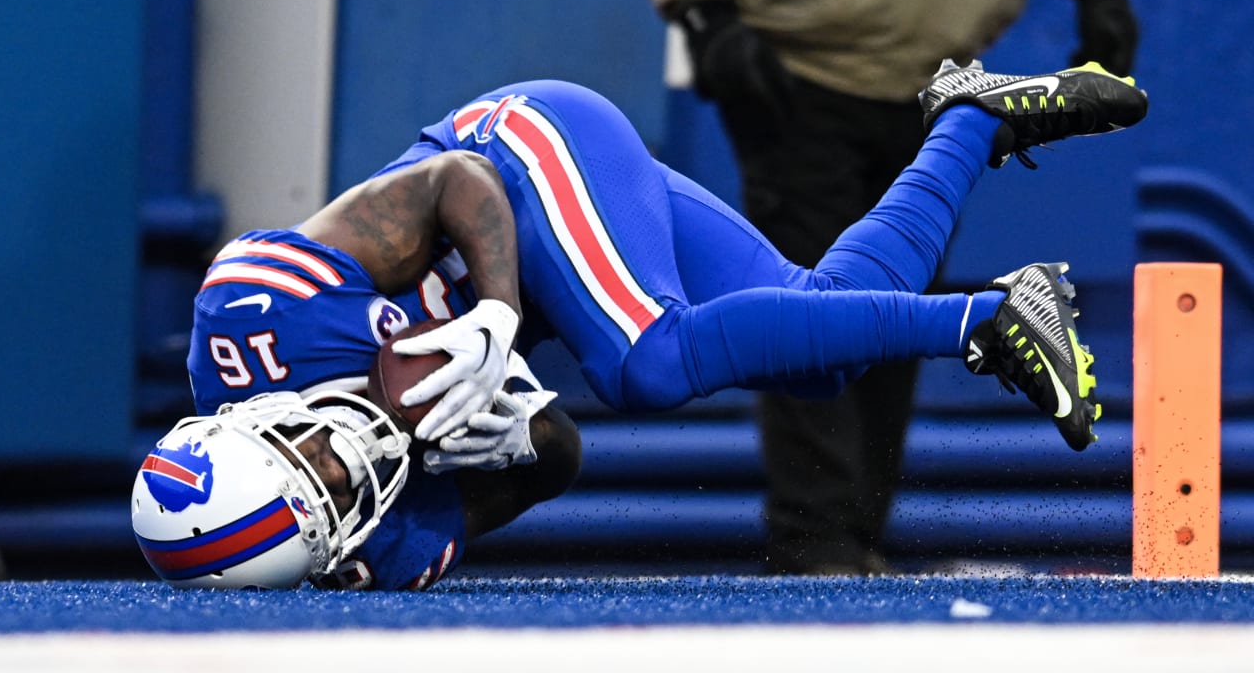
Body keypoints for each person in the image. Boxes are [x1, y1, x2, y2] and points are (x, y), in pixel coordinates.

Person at [135, 58, 1147, 591]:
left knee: (645, 365)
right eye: (338, 495)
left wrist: (492, 310)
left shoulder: (258, 316)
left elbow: (458, 180)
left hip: (522, 150)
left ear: (240, 423)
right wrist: (508, 448)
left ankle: (987, 316)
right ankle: (970, 116)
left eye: (310, 456)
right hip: (550, 236)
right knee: (820, 342)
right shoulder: (374, 540)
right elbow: (557, 455)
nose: (345, 463)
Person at [638, 0, 1140, 575]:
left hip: (931, 57)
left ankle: (837, 539)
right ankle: (823, 537)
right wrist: (704, 7)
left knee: (798, 327)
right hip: (804, 69)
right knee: (805, 326)